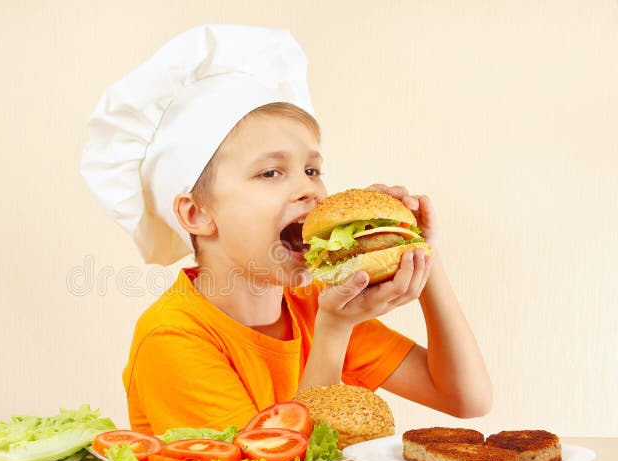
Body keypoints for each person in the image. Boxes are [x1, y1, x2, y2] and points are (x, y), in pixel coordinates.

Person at [81, 25, 491, 434]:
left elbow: (465, 398)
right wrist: (334, 330)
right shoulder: (172, 338)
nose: (308, 189)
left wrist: (415, 248)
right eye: (271, 172)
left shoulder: (314, 305)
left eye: (312, 169)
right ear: (197, 214)